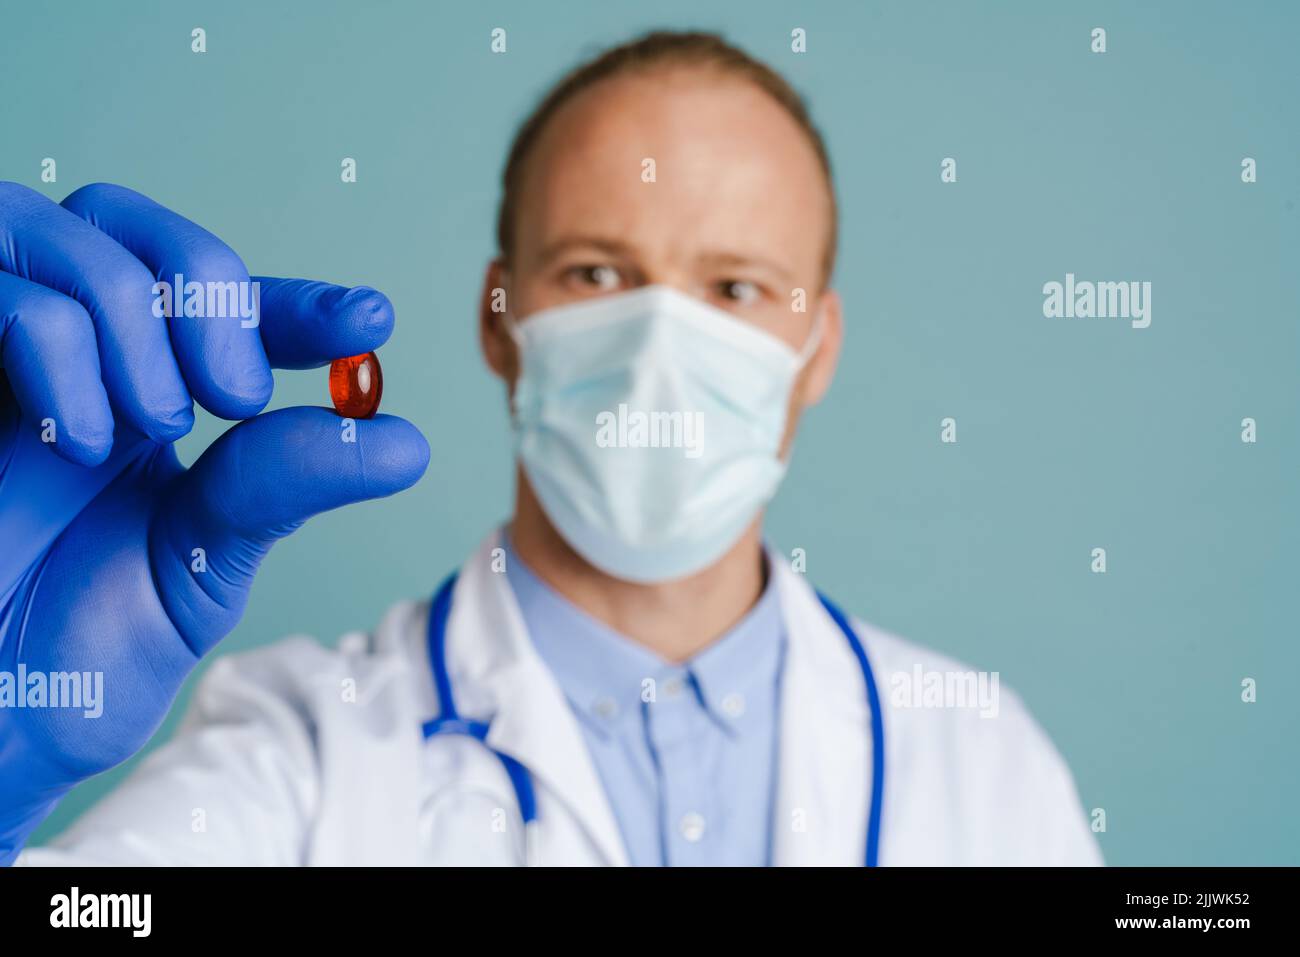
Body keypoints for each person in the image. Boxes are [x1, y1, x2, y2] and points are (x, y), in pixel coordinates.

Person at [0, 31, 1101, 866]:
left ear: (815, 350)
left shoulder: (981, 767)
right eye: (595, 273)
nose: (665, 340)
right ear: (499, 315)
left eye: (737, 289)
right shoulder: (302, 757)